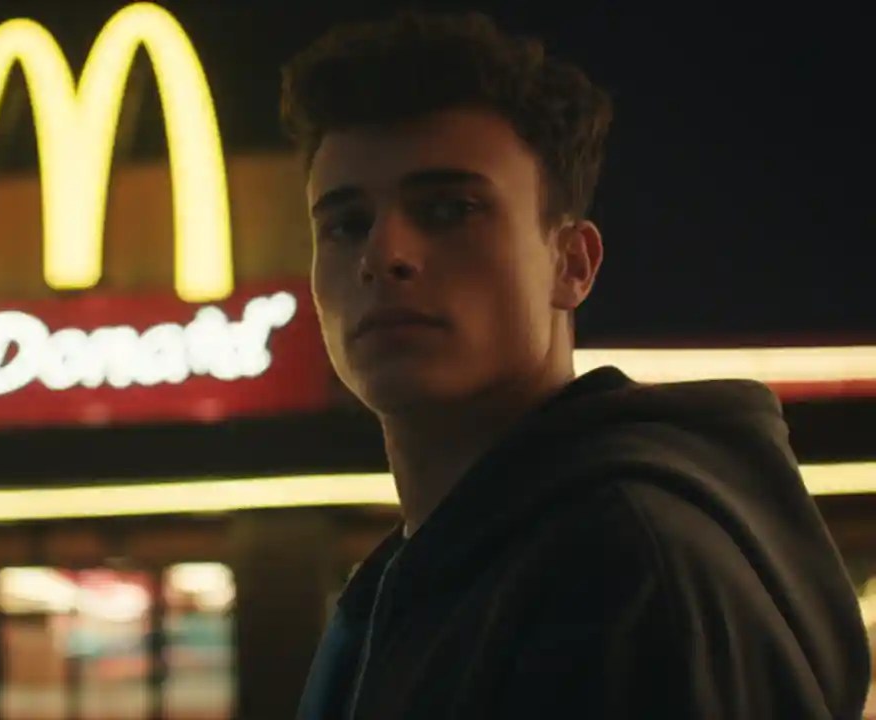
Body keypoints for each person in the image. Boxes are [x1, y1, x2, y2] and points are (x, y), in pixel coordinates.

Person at [281, 10, 870, 719]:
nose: (384, 255)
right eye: (345, 224)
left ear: (573, 263)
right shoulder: (412, 582)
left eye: (447, 209)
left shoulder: (621, 566)